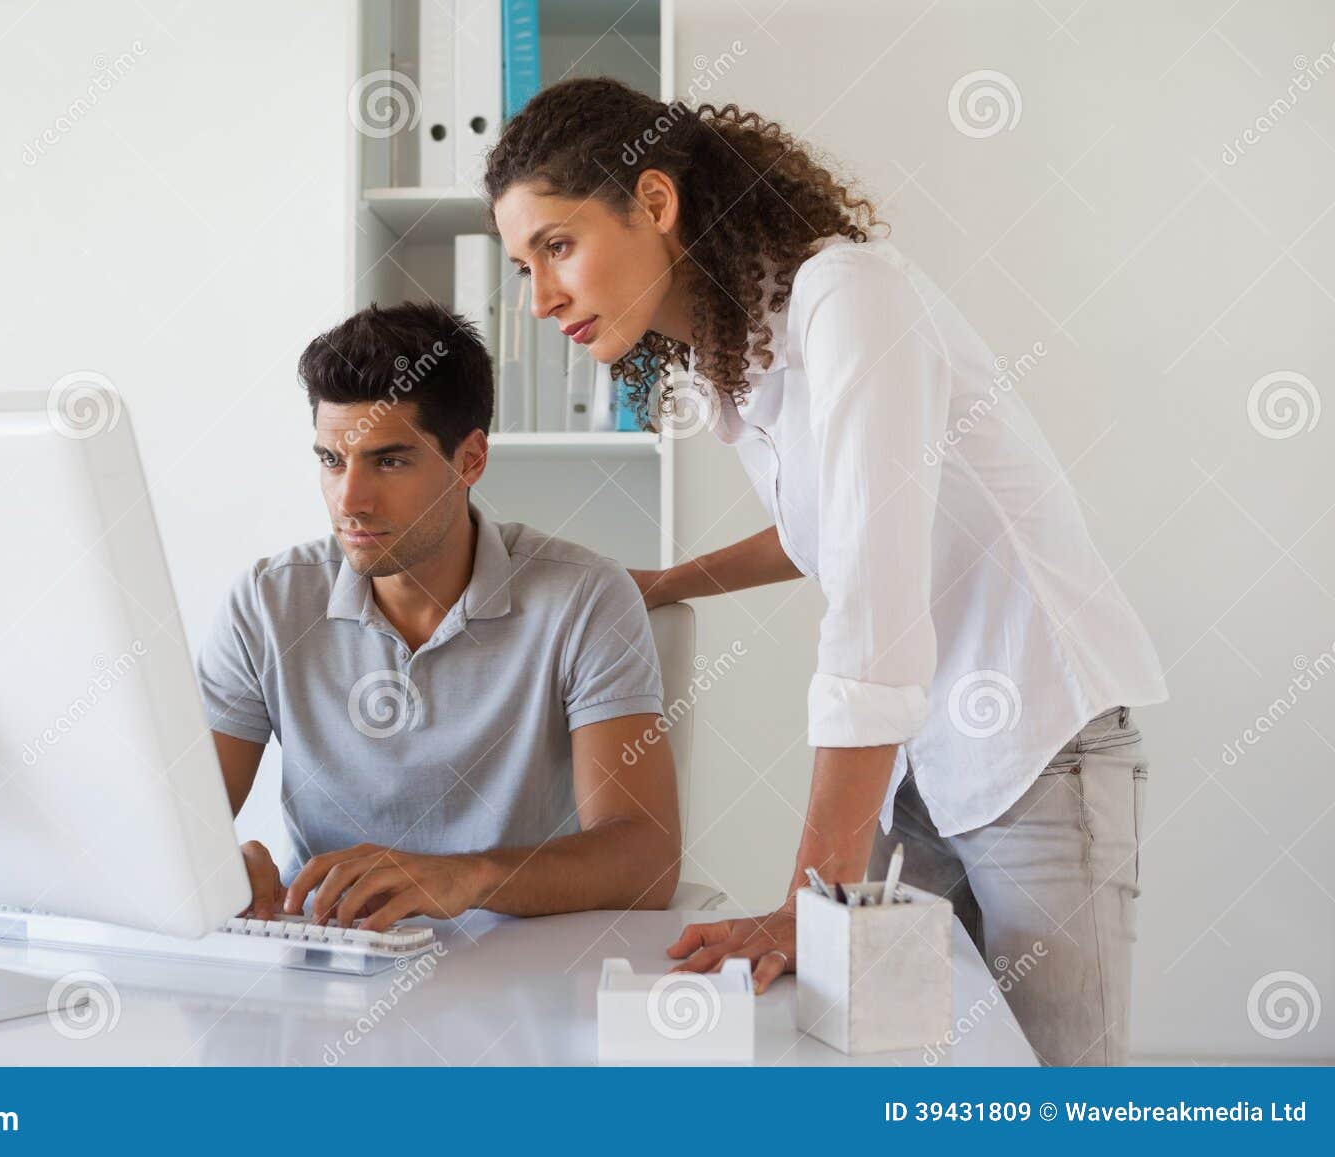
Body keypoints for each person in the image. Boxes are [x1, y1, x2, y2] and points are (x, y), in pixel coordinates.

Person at [486, 78, 1168, 1066]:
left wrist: (804, 901)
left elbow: (872, 611)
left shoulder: (847, 295)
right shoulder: (736, 352)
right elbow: (827, 533)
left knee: (1059, 1091)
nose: (540, 298)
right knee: (904, 1071)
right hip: (917, 758)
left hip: (1036, 740)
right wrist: (671, 581)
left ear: (656, 202)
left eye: (556, 245)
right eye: (521, 265)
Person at [196, 300, 680, 933]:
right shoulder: (266, 602)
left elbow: (645, 860)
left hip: (523, 974)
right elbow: (177, 828)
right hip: (332, 968)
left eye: (390, 461)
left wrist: (467, 876)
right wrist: (213, 867)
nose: (351, 501)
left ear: (470, 460)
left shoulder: (585, 597)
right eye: (331, 460)